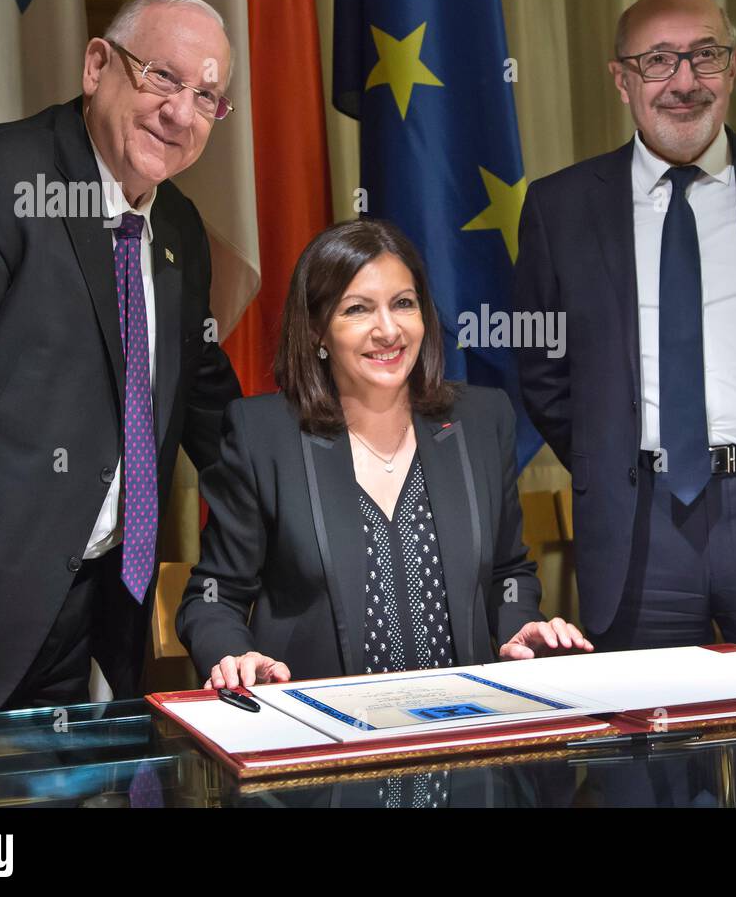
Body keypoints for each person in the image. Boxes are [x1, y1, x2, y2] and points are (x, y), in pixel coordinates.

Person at [0, 0, 243, 734]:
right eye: (162, 77)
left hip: (93, 615)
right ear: (98, 64)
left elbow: (206, 401)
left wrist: (333, 474)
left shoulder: (180, 229)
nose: (181, 112)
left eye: (207, 96)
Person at [514, 0, 736, 653]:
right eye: (657, 61)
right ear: (621, 80)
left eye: (705, 56)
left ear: (733, 67)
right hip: (637, 526)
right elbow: (542, 369)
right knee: (650, 743)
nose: (685, 81)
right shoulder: (559, 207)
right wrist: (613, 456)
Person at [178, 219, 590, 687]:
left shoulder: (481, 420)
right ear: (316, 330)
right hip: (327, 739)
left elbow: (507, 572)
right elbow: (213, 597)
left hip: (464, 730)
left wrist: (521, 626)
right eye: (358, 309)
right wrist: (237, 656)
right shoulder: (264, 435)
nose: (388, 329)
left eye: (404, 304)